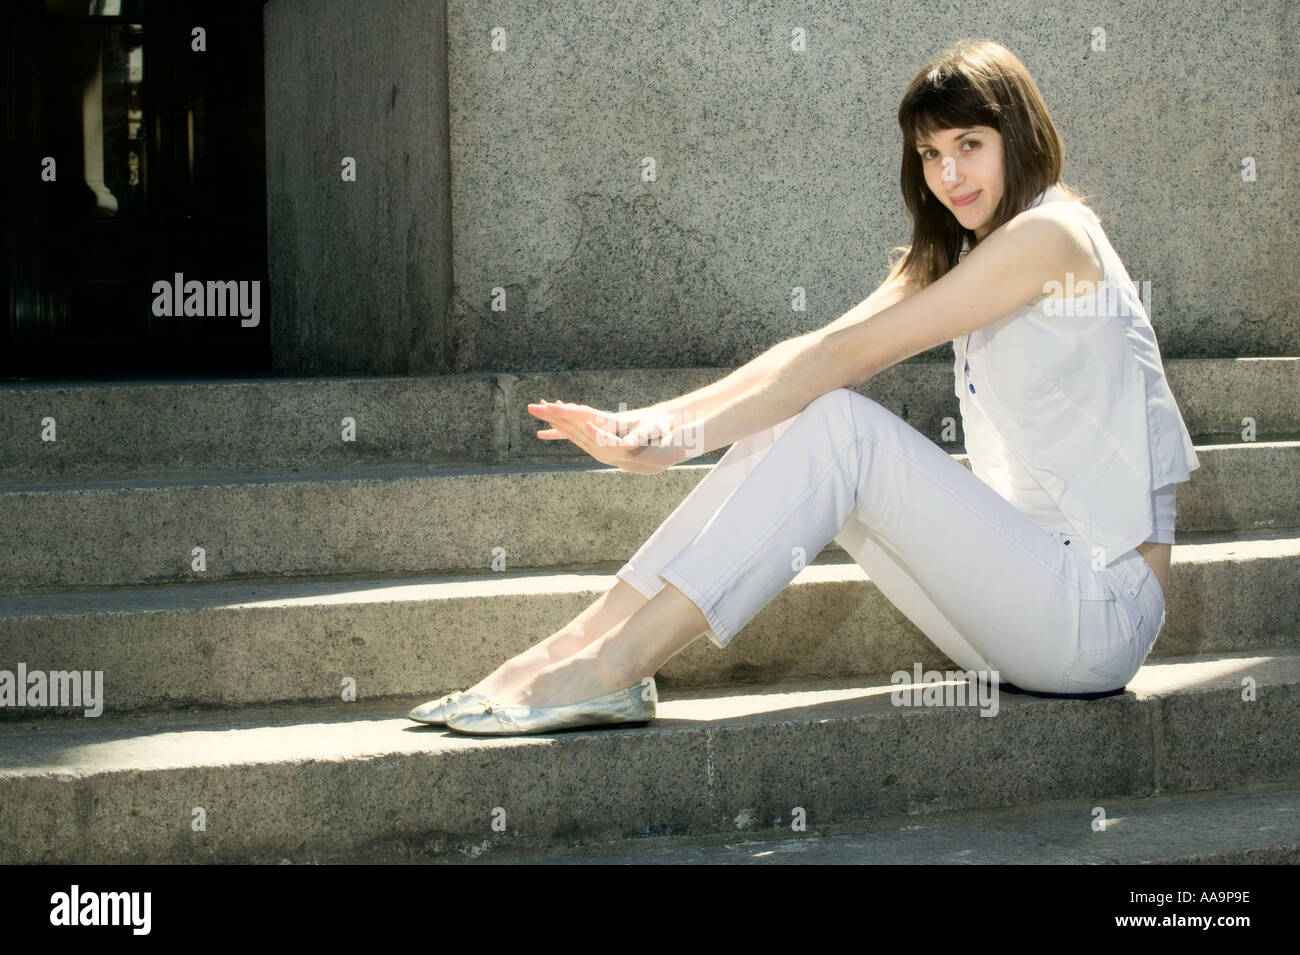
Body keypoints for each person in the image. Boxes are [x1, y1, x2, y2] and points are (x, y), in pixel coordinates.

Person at [410, 38, 1198, 736]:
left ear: (1018, 138)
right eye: (930, 154)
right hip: (1026, 608)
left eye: (970, 144)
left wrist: (677, 445)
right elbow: (815, 347)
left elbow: (847, 361)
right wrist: (649, 426)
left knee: (841, 424)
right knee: (800, 418)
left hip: (1097, 614)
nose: (949, 173)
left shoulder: (1051, 236)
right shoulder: (964, 247)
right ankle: (567, 652)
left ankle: (614, 667)